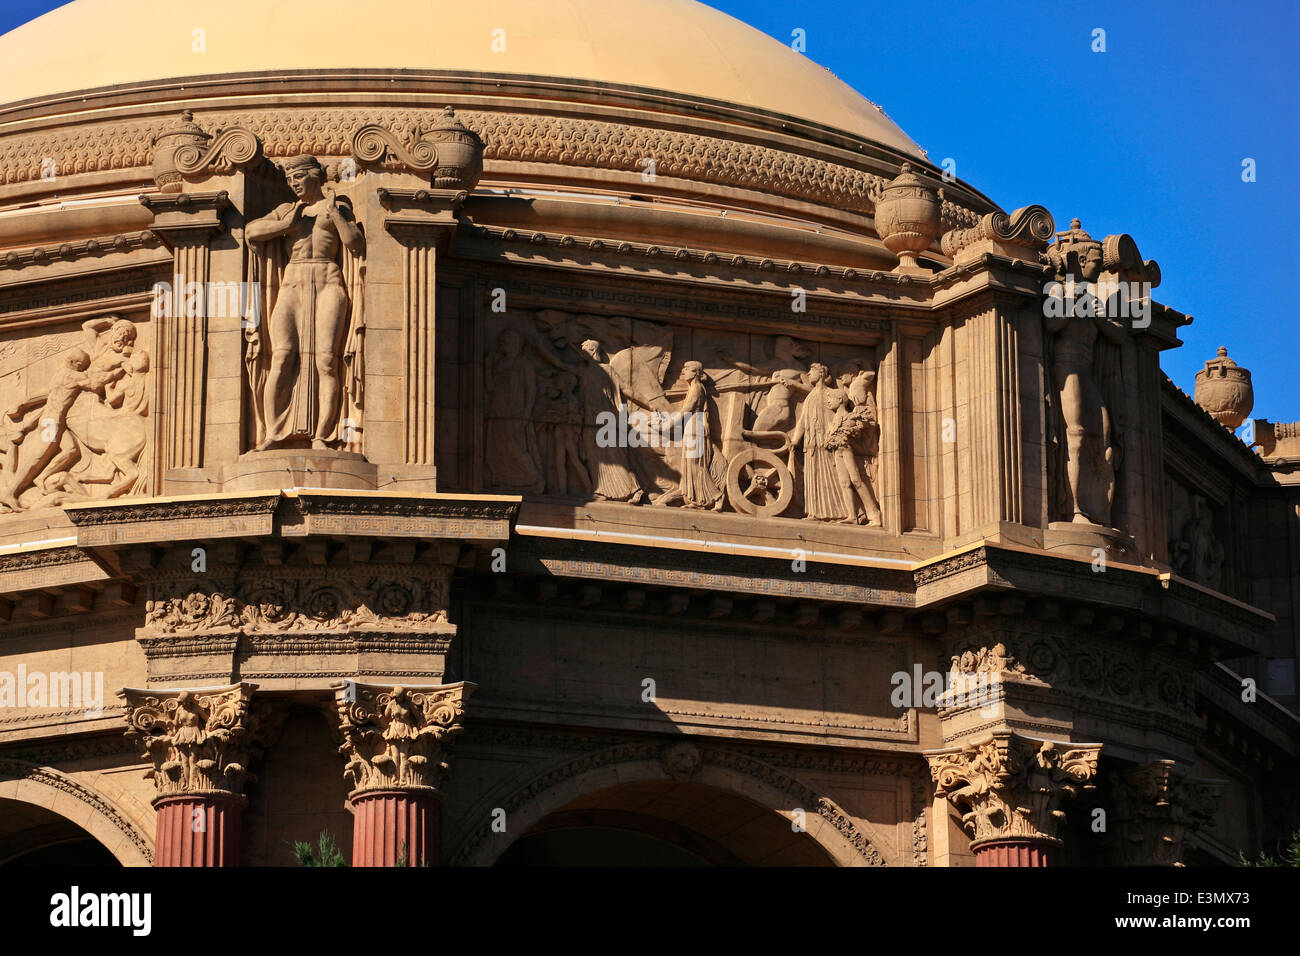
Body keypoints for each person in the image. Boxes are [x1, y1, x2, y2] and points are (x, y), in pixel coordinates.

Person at [246, 155, 364, 450]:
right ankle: (273, 432)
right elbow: (251, 232)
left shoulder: (337, 208)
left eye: (298, 177)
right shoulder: (286, 210)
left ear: (315, 176)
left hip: (327, 280)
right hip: (293, 281)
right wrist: (287, 224)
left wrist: (336, 214)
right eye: (289, 180)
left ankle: (323, 436)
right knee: (282, 357)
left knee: (326, 361)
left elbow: (356, 244)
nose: (293, 183)